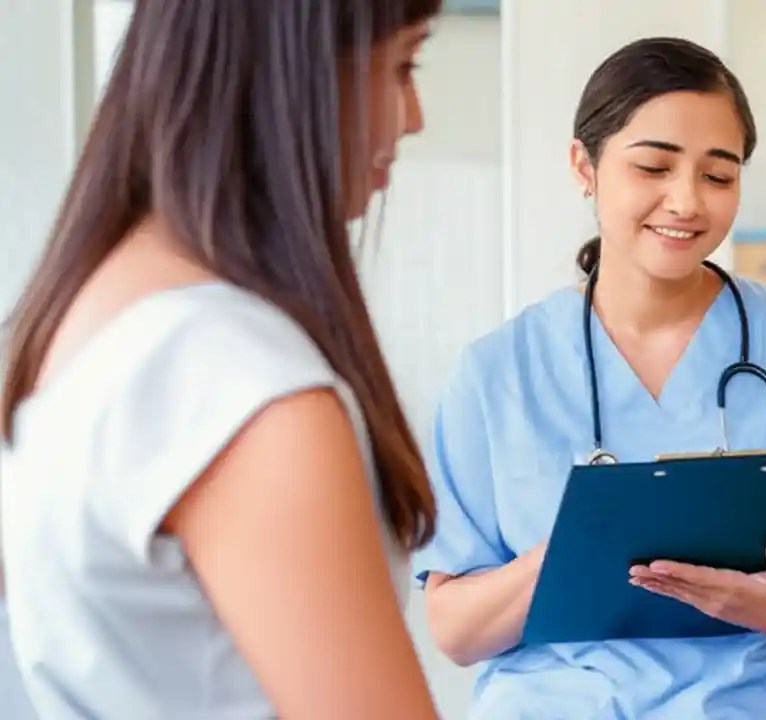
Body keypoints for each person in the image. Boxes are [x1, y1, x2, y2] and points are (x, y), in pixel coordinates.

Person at [415, 36, 766, 719]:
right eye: (654, 167)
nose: (686, 202)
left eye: (718, 176)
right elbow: (455, 632)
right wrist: (574, 551)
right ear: (585, 165)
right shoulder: (498, 371)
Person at [0, 2, 446, 717]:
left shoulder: (89, 313)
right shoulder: (236, 384)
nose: (414, 115)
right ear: (289, 69)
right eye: (403, 65)